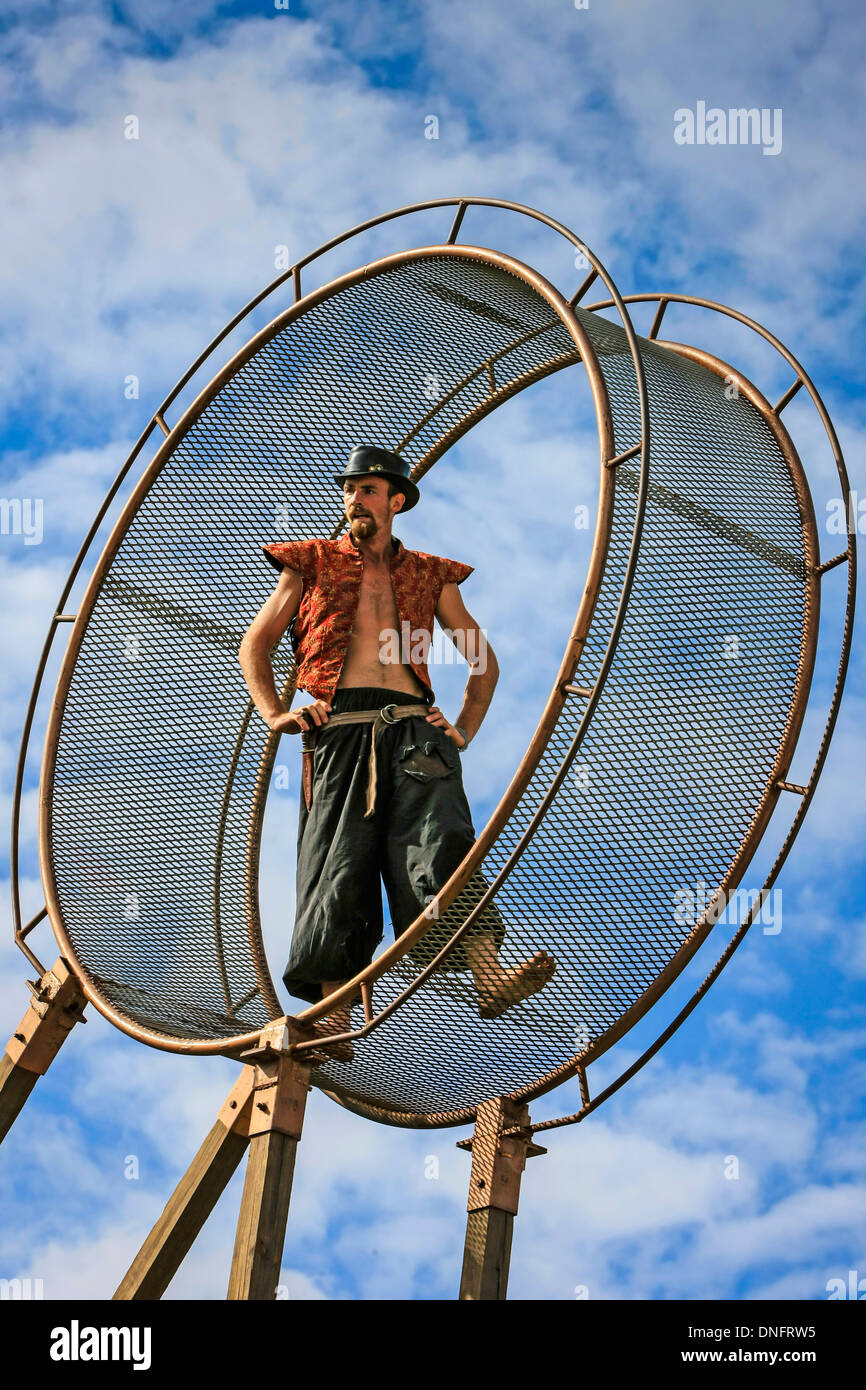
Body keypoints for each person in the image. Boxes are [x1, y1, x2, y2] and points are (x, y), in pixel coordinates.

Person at [239, 444, 556, 1060]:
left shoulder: (430, 575)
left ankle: (488, 976)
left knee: (443, 844)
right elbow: (259, 641)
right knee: (337, 863)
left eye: (369, 490)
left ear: (396, 501)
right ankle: (333, 1014)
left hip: (416, 730)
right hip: (340, 728)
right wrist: (276, 713)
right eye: (351, 490)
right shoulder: (310, 562)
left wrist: (461, 727)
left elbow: (482, 661)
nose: (355, 499)